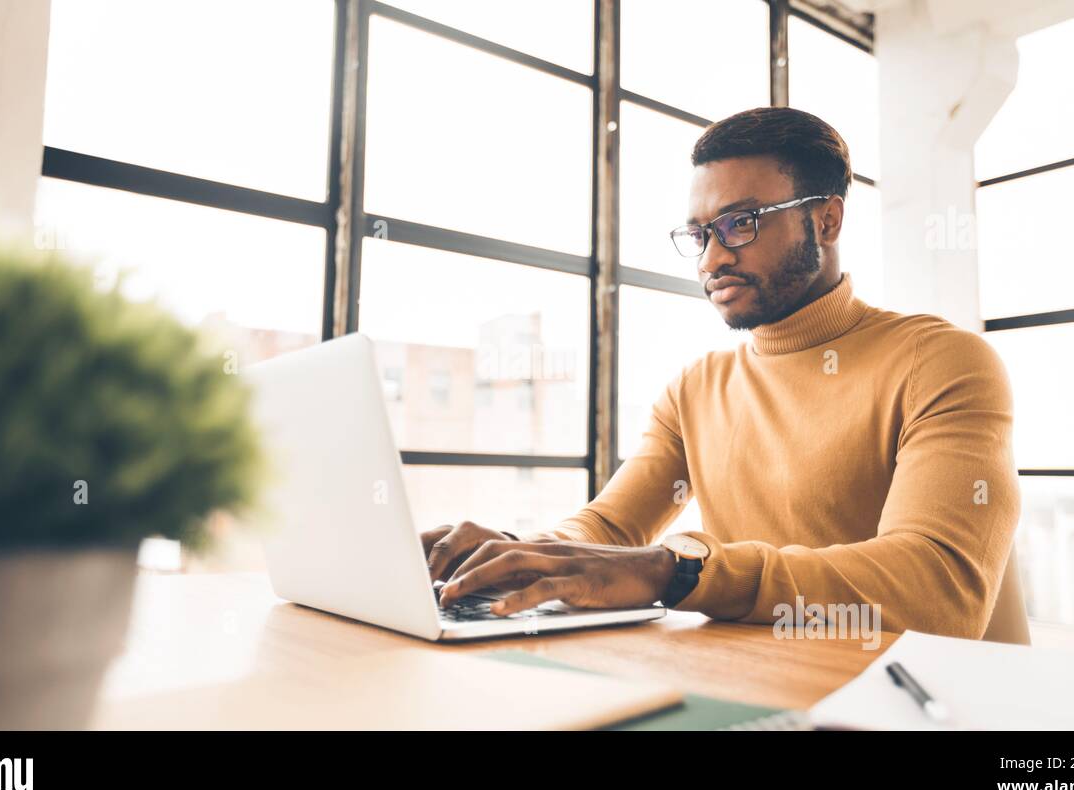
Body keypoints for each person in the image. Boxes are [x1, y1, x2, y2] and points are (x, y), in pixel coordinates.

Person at [422, 106, 1020, 639]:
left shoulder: (941, 362)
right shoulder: (695, 388)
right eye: (700, 233)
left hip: (920, 700)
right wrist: (518, 557)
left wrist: (681, 569)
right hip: (769, 684)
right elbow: (610, 526)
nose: (711, 259)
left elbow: (938, 592)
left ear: (828, 222)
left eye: (741, 223)